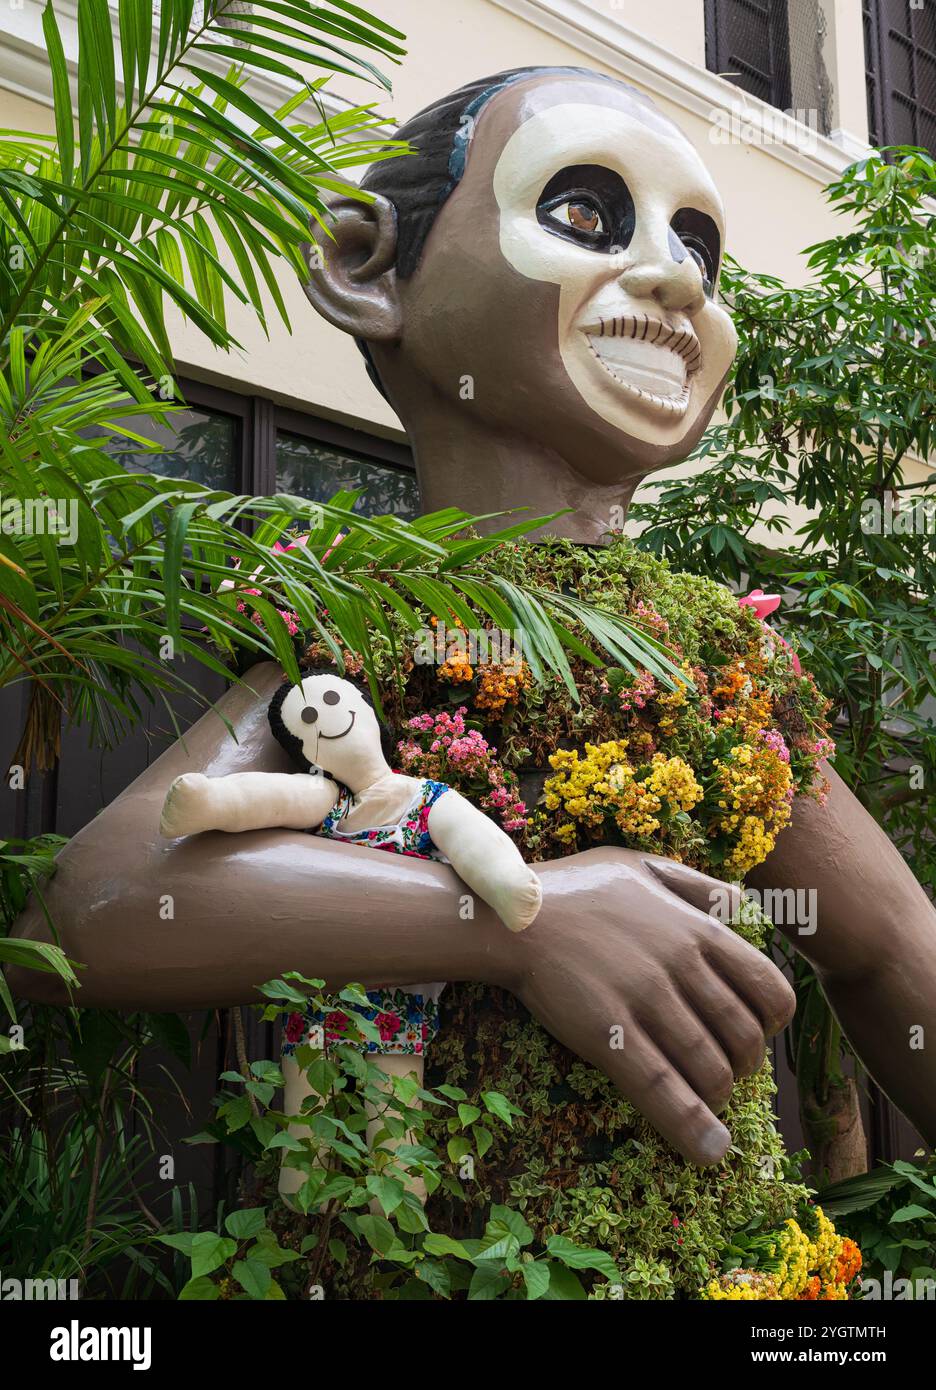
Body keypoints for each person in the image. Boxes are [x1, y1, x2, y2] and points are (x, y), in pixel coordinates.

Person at [10, 66, 936, 1167]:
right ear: (363, 268)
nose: (677, 281)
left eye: (700, 250)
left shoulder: (714, 656)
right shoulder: (366, 621)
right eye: (585, 212)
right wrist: (521, 923)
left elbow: (891, 954)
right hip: (415, 1253)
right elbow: (91, 910)